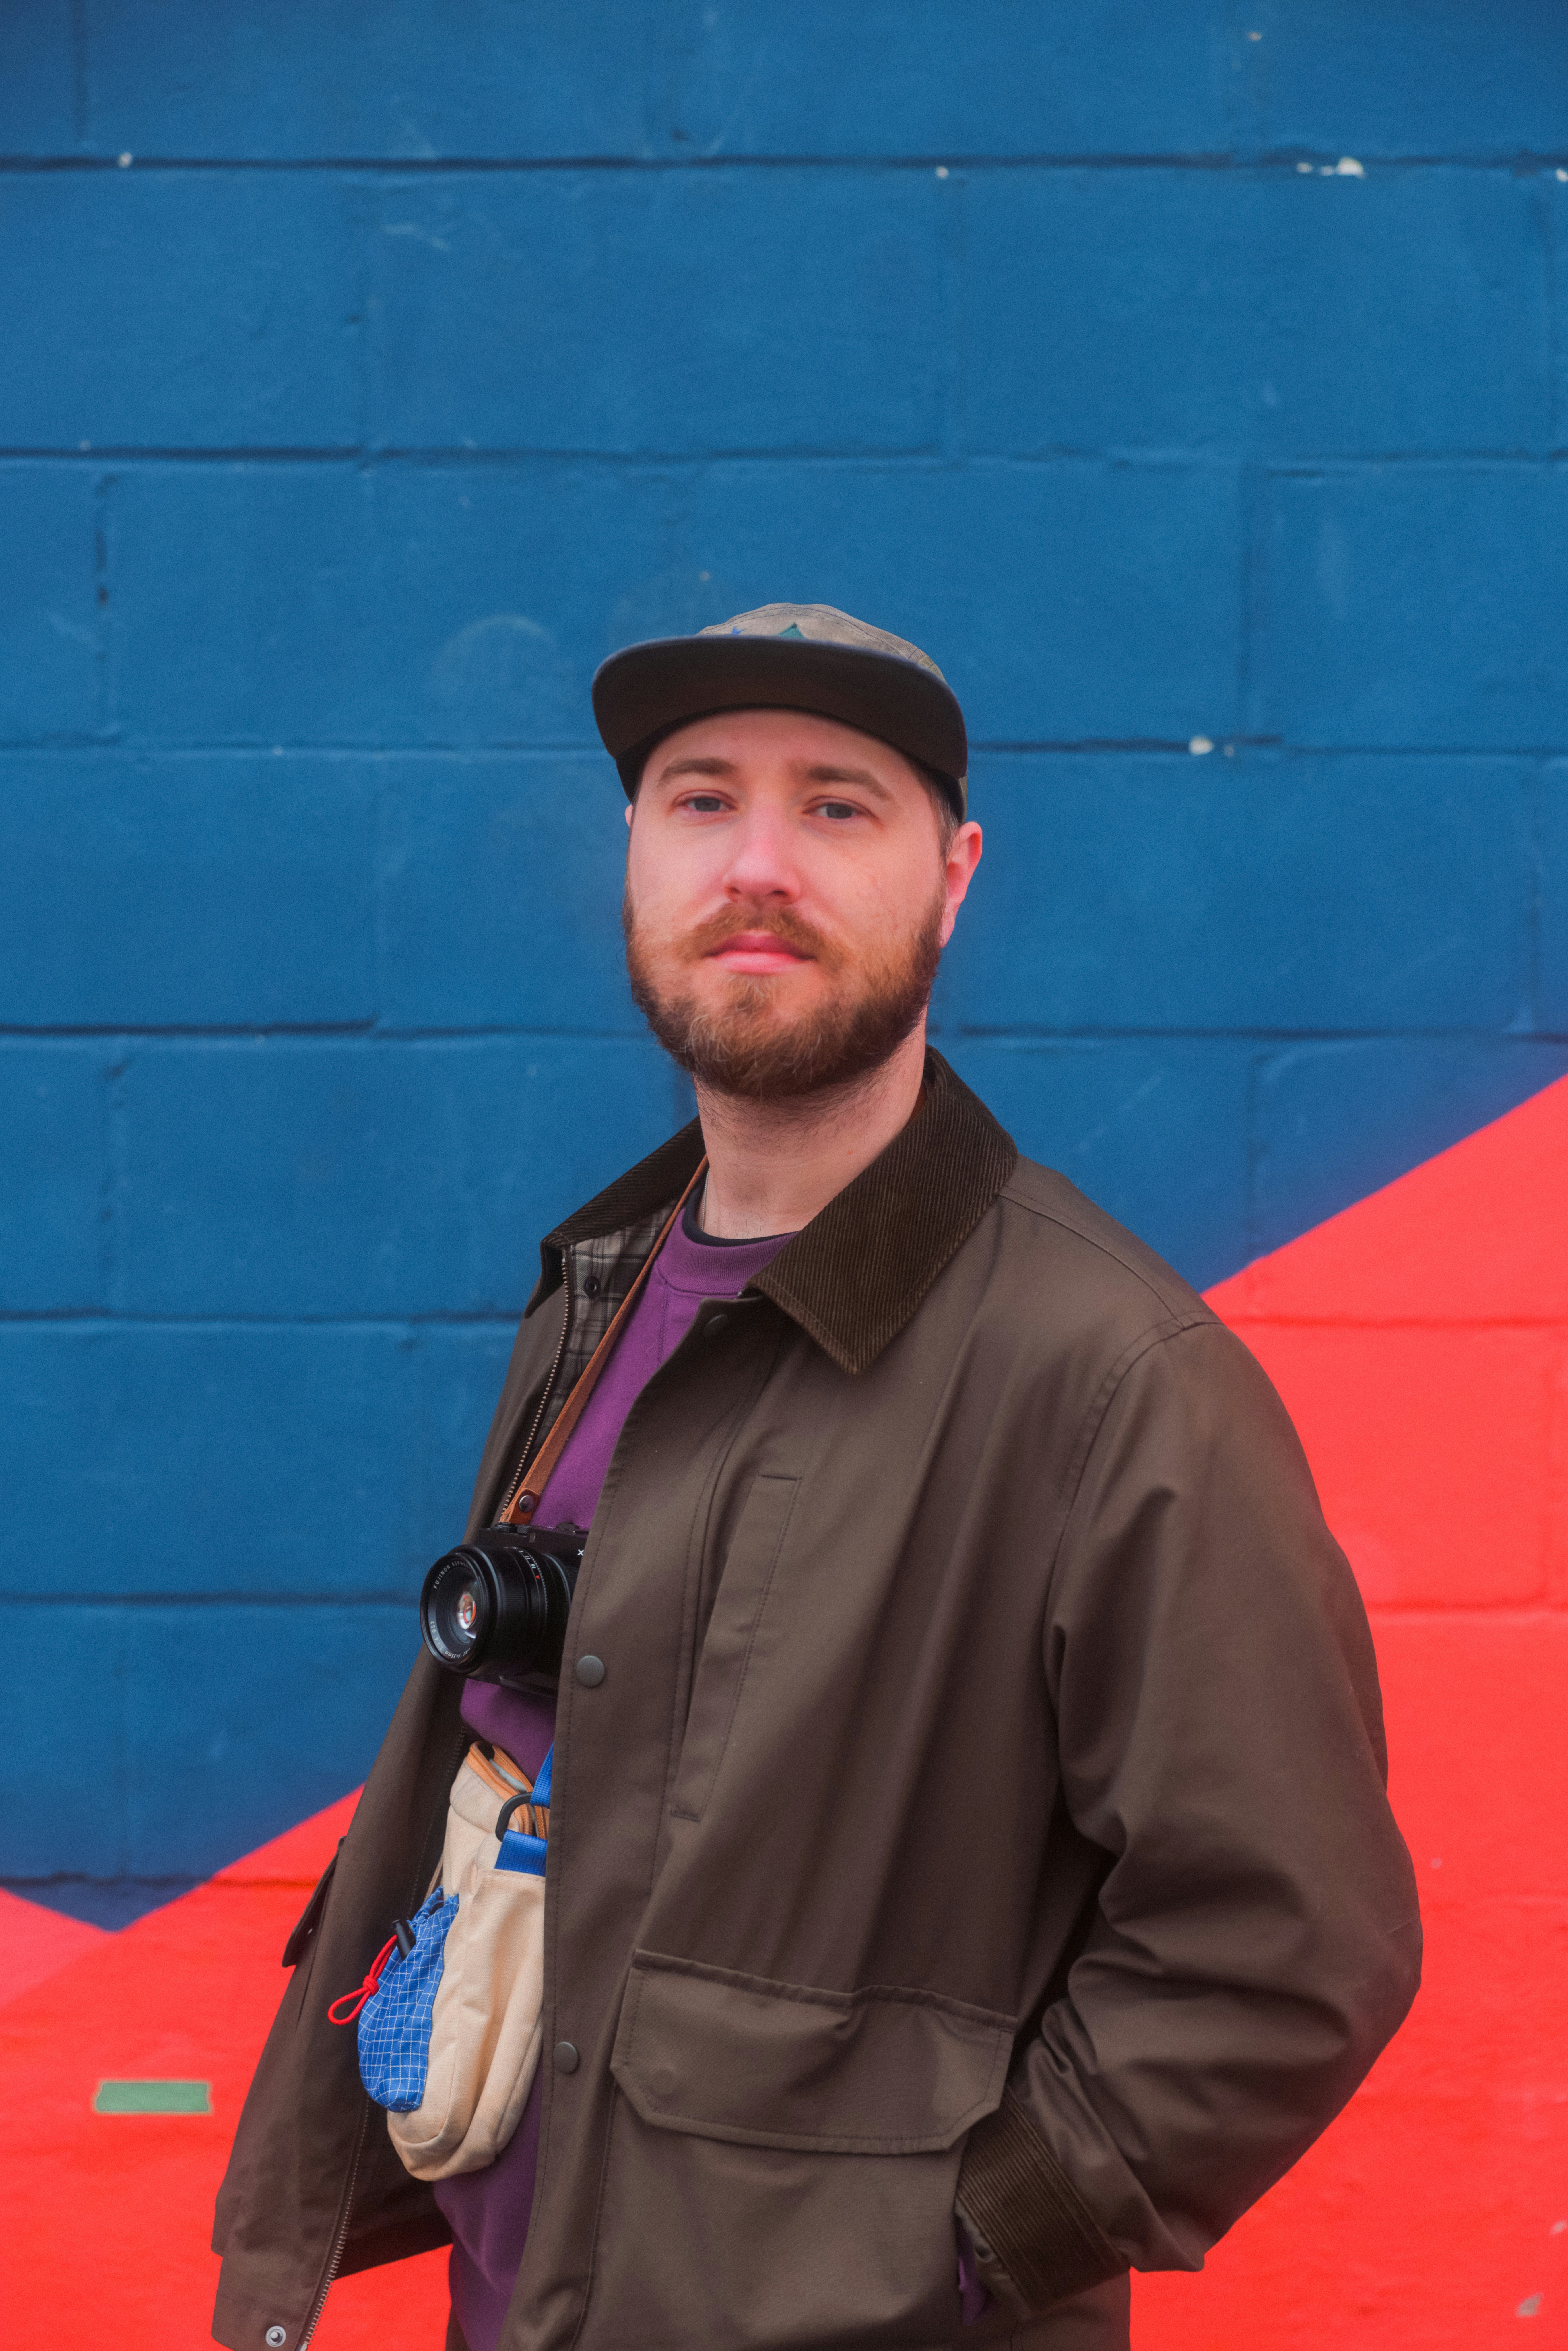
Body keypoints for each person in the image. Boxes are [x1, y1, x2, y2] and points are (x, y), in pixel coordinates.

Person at [212, 604, 1420, 2351]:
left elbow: (1284, 1948)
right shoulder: (601, 1284)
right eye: (701, 801)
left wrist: (952, 2251)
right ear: (634, 857)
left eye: (839, 807)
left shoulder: (1114, 1381)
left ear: (954, 876)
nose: (757, 864)